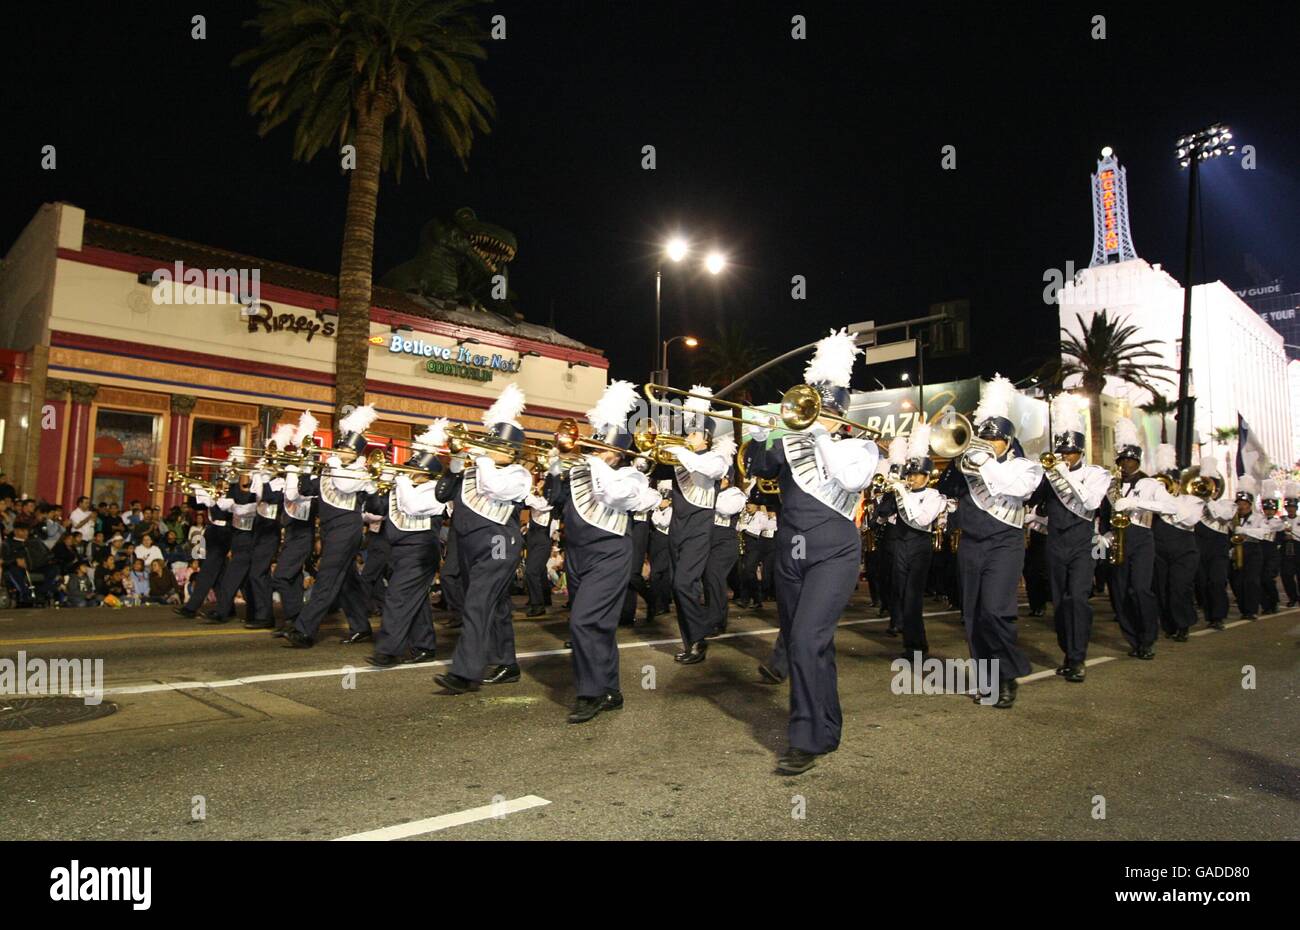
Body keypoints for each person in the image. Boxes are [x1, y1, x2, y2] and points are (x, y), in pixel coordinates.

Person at [745, 329, 878, 774]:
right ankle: (828, 725)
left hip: (834, 551)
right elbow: (756, 466)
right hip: (789, 550)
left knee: (804, 640)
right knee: (815, 646)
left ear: (841, 415)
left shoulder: (861, 446)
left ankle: (805, 738)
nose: (818, 417)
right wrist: (766, 433)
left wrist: (818, 435)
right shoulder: (788, 440)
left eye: (826, 412)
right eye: (813, 410)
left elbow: (851, 480)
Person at [545, 381, 661, 722]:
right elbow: (555, 500)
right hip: (578, 553)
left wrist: (589, 461)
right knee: (600, 625)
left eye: (602, 448)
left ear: (618, 452)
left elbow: (612, 496)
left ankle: (590, 692)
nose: (596, 451)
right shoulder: (581, 469)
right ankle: (610, 689)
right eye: (595, 446)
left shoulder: (628, 475)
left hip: (610, 552)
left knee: (583, 621)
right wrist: (554, 468)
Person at [943, 375, 1044, 708]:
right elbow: (946, 487)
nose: (985, 443)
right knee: (972, 616)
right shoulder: (969, 466)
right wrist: (959, 457)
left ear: (1007, 441)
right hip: (971, 543)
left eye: (992, 439)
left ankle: (1008, 675)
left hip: (1005, 543)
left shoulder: (1025, 467)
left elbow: (1013, 489)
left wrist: (983, 461)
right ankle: (989, 682)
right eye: (982, 437)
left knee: (995, 613)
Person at [434, 384, 533, 692]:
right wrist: (454, 462)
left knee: (476, 603)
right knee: (496, 605)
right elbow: (443, 495)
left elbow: (493, 488)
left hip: (499, 542)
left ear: (511, 451)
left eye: (496, 445)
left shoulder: (518, 475)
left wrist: (480, 458)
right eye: (490, 444)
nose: (489, 449)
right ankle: (507, 662)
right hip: (467, 542)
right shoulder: (476, 467)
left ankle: (464, 672)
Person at [285, 404, 380, 648]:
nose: (339, 450)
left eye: (345, 448)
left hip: (347, 529)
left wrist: (333, 462)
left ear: (357, 453)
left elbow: (344, 487)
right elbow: (307, 489)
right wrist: (306, 462)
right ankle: (361, 626)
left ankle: (304, 630)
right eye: (340, 447)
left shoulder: (360, 473)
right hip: (330, 529)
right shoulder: (332, 467)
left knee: (327, 578)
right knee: (346, 580)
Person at [1031, 395, 1111, 682]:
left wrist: (1062, 476)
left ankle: (1078, 657)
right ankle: (1068, 652)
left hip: (1082, 541)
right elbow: (1034, 500)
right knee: (1060, 602)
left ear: (1081, 452)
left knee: (1077, 598)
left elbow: (1090, 502)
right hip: (1055, 542)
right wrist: (1045, 476)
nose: (1065, 457)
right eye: (1062, 452)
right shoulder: (1053, 474)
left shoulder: (1095, 474)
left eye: (1070, 453)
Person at [367, 420, 449, 668]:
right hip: (399, 550)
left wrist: (400, 481)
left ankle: (389, 650)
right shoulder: (404, 487)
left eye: (413, 469)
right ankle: (424, 645)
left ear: (427, 473)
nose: (407, 472)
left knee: (397, 596)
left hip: (420, 550)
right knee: (415, 599)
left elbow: (412, 506)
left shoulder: (435, 491)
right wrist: (377, 484)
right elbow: (376, 510)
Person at [665, 386, 736, 665]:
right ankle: (692, 642)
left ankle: (700, 637)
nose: (686, 438)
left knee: (684, 582)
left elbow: (709, 471)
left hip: (699, 527)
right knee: (679, 586)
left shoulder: (715, 458)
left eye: (692, 434)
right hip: (677, 525)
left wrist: (679, 452)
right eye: (687, 433)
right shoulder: (684, 456)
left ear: (705, 437)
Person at [1101, 416, 1173, 661]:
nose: (1126, 464)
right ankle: (1133, 639)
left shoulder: (1150, 483)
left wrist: (1135, 502)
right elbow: (1103, 515)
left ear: (1137, 460)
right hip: (1118, 538)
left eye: (1131, 460)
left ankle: (1148, 638)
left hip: (1141, 536)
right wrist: (1103, 536)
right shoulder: (1111, 485)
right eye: (1123, 460)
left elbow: (1170, 507)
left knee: (1140, 590)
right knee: (1119, 594)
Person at [878, 423, 947, 658]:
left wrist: (903, 493)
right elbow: (882, 513)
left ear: (927, 476)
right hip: (899, 544)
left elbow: (923, 518)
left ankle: (916, 645)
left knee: (912, 596)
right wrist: (892, 490)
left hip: (919, 545)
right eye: (910, 474)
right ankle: (912, 641)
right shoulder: (899, 491)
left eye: (917, 474)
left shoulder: (934, 496)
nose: (913, 478)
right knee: (899, 591)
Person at [1150, 444, 1206, 643]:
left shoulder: (1191, 501)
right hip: (1160, 548)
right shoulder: (1156, 501)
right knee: (1162, 588)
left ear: (1177, 482)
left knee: (1179, 587)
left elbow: (1190, 520)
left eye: (1171, 481)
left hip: (1184, 550)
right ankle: (1169, 625)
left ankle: (1183, 624)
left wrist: (1166, 501)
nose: (1167, 486)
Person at [272, 410, 319, 636]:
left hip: (303, 532)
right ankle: (295, 619)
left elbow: (293, 495)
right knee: (293, 576)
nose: (302, 452)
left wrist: (293, 471)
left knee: (281, 575)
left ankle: (296, 615)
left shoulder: (311, 473)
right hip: (292, 531)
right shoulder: (294, 469)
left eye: (305, 448)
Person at [173, 473, 233, 618]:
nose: (219, 485)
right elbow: (199, 502)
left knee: (207, 572)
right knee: (219, 575)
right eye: (218, 482)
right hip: (212, 532)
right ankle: (227, 607)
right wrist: (192, 484)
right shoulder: (215, 495)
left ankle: (191, 608)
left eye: (223, 483)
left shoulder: (231, 497)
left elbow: (219, 506)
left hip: (223, 533)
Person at [704, 473, 749, 636]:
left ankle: (715, 621)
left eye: (722, 479)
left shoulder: (735, 493)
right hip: (709, 539)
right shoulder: (712, 492)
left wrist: (710, 494)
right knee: (710, 580)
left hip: (725, 541)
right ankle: (716, 618)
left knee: (713, 576)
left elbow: (726, 509)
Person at [1194, 455, 1235, 630]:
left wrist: (1208, 498)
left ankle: (1218, 616)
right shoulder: (1194, 504)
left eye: (1210, 484)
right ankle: (1210, 615)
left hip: (1218, 547)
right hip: (1199, 545)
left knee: (1217, 581)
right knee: (1202, 582)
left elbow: (1223, 516)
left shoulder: (1227, 504)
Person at [1258, 479, 1283, 615]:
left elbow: (1268, 528)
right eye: (1266, 509)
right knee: (1260, 579)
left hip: (1272, 552)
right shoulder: (1260, 520)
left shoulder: (1277, 522)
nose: (1268, 511)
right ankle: (1265, 605)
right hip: (1260, 551)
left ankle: (1274, 602)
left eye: (1271, 509)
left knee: (1268, 578)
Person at [1278, 482, 1300, 608]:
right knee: (1286, 576)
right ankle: (1292, 597)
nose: (1290, 509)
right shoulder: (1281, 520)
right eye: (1288, 507)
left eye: (1293, 506)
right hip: (1286, 552)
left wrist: (1293, 535)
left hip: (1298, 550)